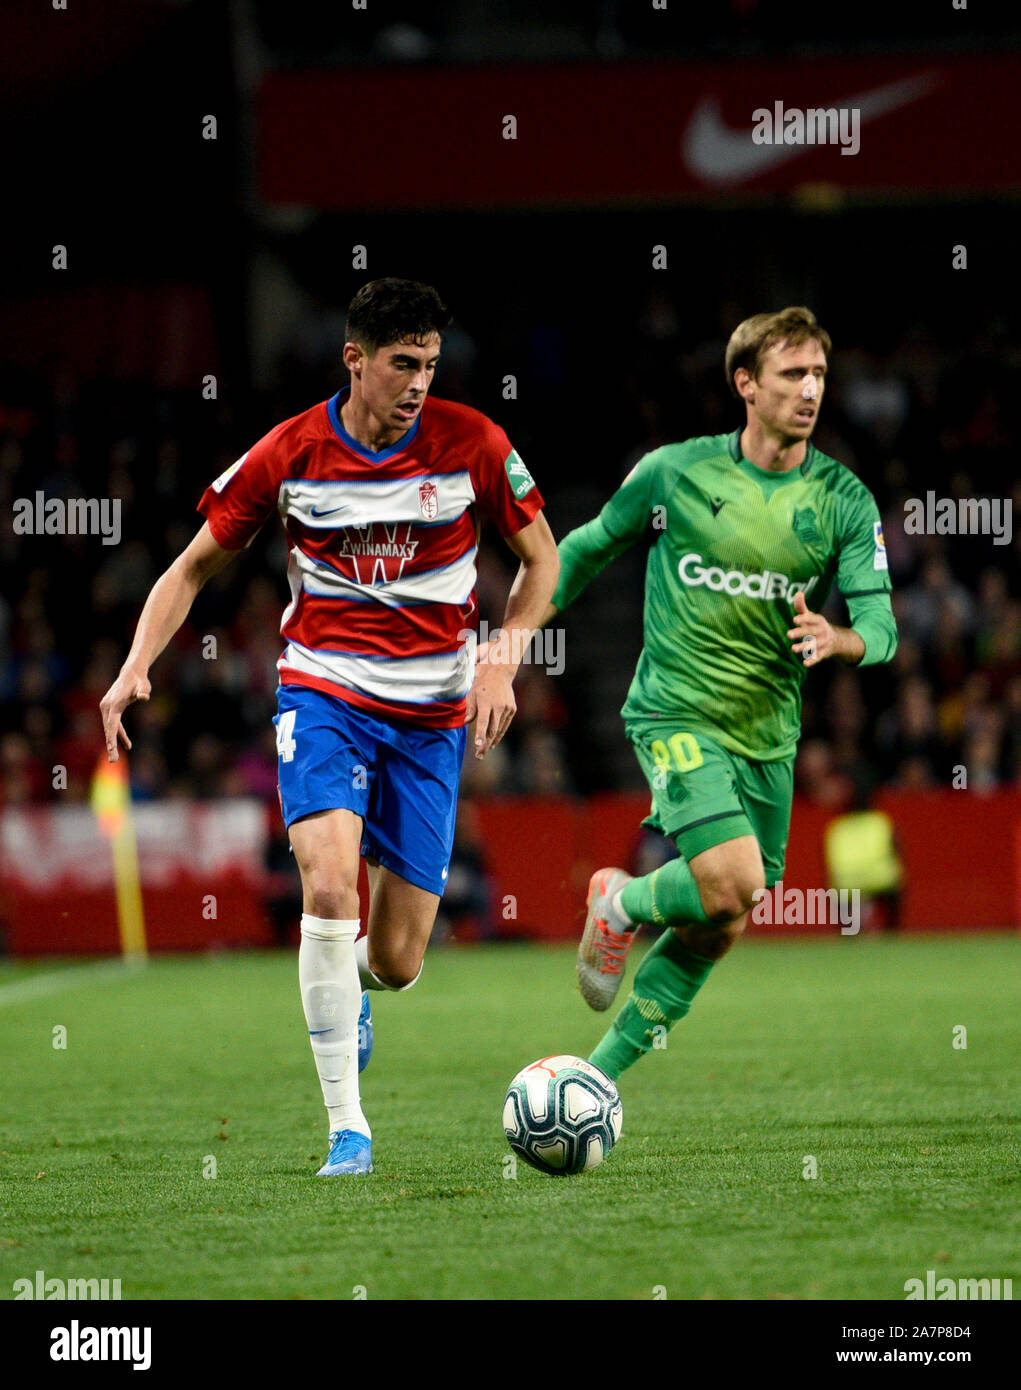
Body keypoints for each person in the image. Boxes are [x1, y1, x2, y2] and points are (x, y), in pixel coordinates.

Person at [100, 278, 559, 1174]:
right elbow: (190, 570)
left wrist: (504, 653)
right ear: (354, 360)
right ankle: (348, 1128)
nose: (420, 380)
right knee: (326, 886)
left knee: (395, 959)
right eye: (402, 363)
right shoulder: (291, 453)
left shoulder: (474, 443)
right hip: (325, 697)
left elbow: (542, 557)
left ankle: (353, 986)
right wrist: (133, 665)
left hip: (431, 718)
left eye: (430, 363)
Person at [542, 307, 897, 1081]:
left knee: (727, 914)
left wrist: (838, 639)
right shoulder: (674, 472)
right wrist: (510, 639)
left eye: (819, 376)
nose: (810, 391)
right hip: (674, 708)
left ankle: (593, 1079)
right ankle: (624, 901)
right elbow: (588, 546)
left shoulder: (843, 500)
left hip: (766, 733)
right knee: (729, 878)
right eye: (791, 375)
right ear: (745, 383)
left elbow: (882, 626)